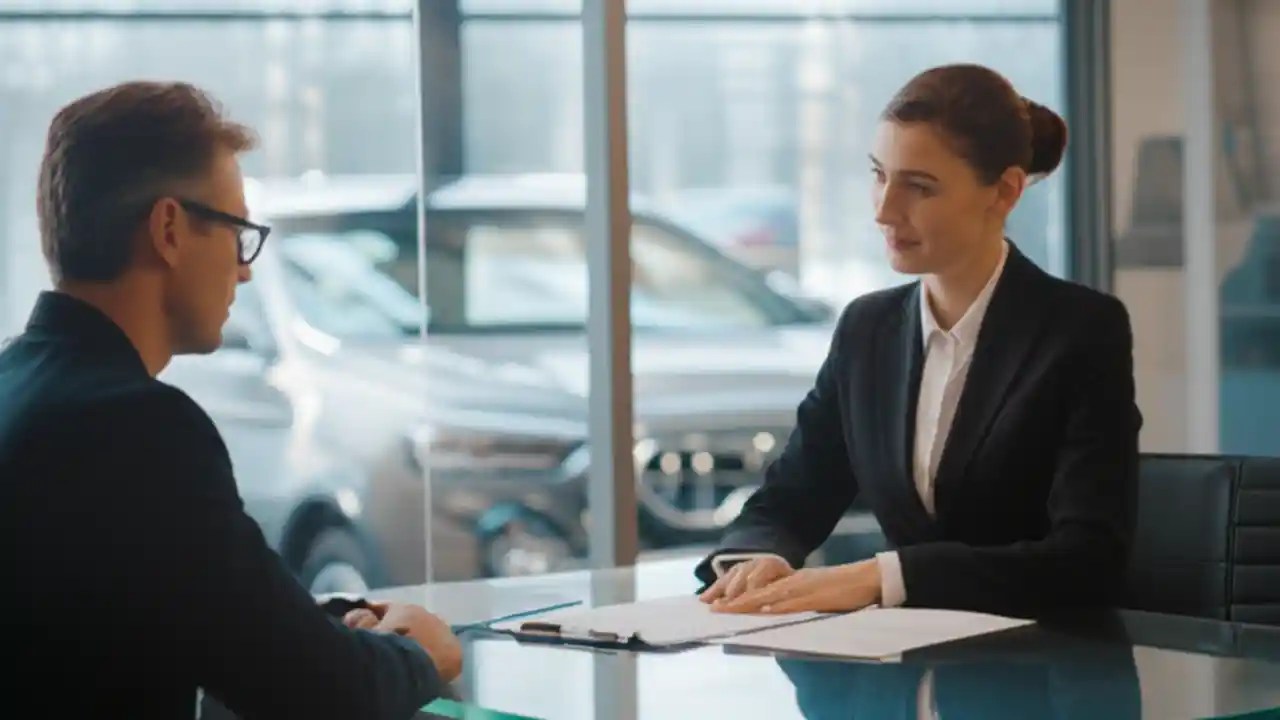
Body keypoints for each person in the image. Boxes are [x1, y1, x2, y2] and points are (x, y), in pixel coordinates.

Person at [0, 81, 460, 718]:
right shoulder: (137, 425)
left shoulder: (18, 383)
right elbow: (313, 692)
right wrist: (424, 655)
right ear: (169, 229)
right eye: (237, 232)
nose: (244, 269)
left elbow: (184, 611)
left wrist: (317, 624)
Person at [696, 63, 1142, 618]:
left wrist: (882, 576)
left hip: (1042, 671)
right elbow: (793, 496)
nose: (884, 210)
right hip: (903, 673)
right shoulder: (868, 330)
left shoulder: (1079, 330)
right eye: (879, 174)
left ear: (1004, 192)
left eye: (919, 186)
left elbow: (1087, 562)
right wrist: (753, 558)